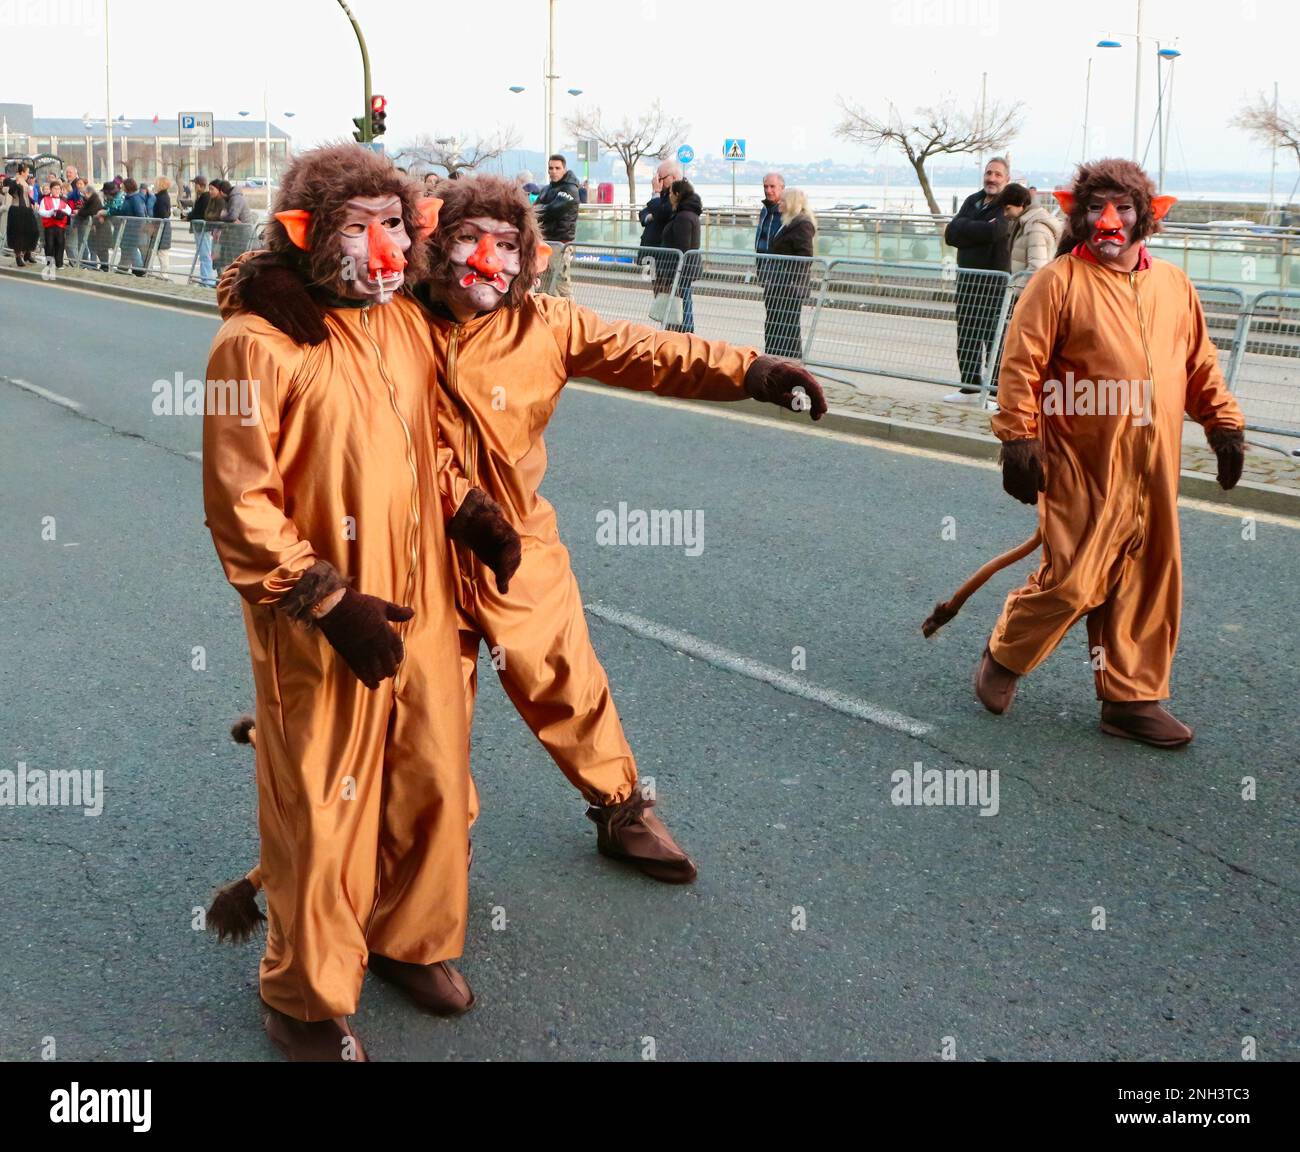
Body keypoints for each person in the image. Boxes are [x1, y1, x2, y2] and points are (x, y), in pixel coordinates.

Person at [226, 174, 830, 886]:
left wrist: (754, 370)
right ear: (433, 244)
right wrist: (265, 287)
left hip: (517, 547)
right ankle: (433, 865)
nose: (489, 260)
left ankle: (620, 807)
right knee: (425, 733)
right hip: (411, 559)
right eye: (467, 239)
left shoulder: (546, 323)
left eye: (508, 244)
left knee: (568, 679)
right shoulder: (392, 322)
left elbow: (651, 351)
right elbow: (299, 282)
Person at [202, 144, 515, 1061]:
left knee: (433, 780)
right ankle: (303, 995)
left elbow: (430, 450)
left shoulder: (405, 328)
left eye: (395, 224)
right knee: (322, 801)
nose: (386, 250)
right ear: (305, 234)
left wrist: (473, 516)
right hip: (321, 621)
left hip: (423, 608)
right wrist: (328, 602)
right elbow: (238, 501)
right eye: (360, 226)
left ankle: (409, 937)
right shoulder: (253, 344)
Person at [924, 159, 1247, 749]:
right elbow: (1021, 366)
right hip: (1078, 460)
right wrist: (1018, 441)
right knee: (1074, 580)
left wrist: (1224, 425)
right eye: (1098, 209)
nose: (1109, 221)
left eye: (1123, 209)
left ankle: (1130, 699)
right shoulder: (1059, 281)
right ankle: (1004, 656)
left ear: (1145, 217)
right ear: (1081, 214)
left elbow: (1199, 364)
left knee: (1147, 581)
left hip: (1154, 466)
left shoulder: (1173, 285)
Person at [942, 157, 1011, 403]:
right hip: (968, 280)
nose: (991, 178)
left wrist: (966, 229)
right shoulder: (973, 200)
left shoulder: (1007, 204)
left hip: (994, 283)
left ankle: (994, 392)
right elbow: (950, 234)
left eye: (997, 175)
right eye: (989, 173)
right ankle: (969, 387)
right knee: (967, 333)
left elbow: (996, 231)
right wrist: (976, 228)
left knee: (993, 337)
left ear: (1006, 179)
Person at [765, 187, 817, 359]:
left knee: (787, 327)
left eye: (783, 200)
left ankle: (790, 363)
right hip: (779, 283)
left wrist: (791, 279)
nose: (779, 202)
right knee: (776, 324)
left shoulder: (802, 224)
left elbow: (805, 256)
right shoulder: (788, 222)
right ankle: (774, 360)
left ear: (792, 203)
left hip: (788, 286)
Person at [660, 177, 702, 333]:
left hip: (681, 270)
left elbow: (682, 247)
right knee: (684, 303)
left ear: (677, 194)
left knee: (683, 305)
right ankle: (686, 335)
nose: (669, 196)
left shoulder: (683, 216)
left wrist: (675, 270)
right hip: (686, 268)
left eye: (670, 193)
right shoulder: (690, 214)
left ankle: (687, 335)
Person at [534, 153, 580, 297]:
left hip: (560, 243)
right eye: (550, 168)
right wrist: (540, 209)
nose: (553, 171)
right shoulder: (546, 189)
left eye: (557, 168)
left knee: (562, 286)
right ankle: (546, 317)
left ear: (564, 169)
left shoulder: (570, 189)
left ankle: (571, 316)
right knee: (543, 288)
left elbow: (553, 210)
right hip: (544, 242)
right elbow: (535, 210)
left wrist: (539, 209)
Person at [998, 183, 1062, 275]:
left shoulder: (1035, 229)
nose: (1005, 214)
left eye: (1008, 209)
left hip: (1026, 287)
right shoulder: (1026, 223)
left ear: (1021, 203)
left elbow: (1036, 269)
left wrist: (1018, 287)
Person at [755, 171, 786, 355]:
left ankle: (784, 360)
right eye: (765, 186)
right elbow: (761, 241)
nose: (768, 190)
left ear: (782, 188)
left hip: (782, 276)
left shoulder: (786, 213)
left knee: (783, 322)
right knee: (771, 319)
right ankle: (771, 356)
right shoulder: (765, 211)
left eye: (772, 186)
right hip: (766, 274)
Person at [35, 177, 73, 279]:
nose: (57, 190)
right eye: (55, 188)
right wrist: (50, 212)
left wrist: (64, 212)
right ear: (51, 189)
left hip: (60, 225)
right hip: (49, 225)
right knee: (50, 244)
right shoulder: (45, 199)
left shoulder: (62, 200)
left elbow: (69, 210)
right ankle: (49, 263)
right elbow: (41, 212)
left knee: (60, 244)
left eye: (58, 189)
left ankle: (59, 263)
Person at [4, 165, 41, 267]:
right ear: (22, 172)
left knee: (33, 231)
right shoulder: (15, 181)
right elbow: (11, 192)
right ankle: (18, 256)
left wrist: (34, 202)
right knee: (18, 234)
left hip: (27, 210)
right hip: (17, 210)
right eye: (27, 172)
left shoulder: (25, 182)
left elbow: (26, 195)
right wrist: (16, 182)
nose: (28, 174)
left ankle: (27, 254)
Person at [189, 176, 215, 286]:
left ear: (200, 185)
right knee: (203, 254)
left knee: (205, 254)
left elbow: (199, 213)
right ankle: (205, 279)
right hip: (200, 228)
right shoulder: (201, 197)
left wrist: (189, 216)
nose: (194, 187)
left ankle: (207, 281)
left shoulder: (205, 197)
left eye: (195, 184)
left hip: (203, 229)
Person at [80, 182, 109, 271]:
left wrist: (80, 212)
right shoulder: (91, 200)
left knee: (97, 248)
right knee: (94, 247)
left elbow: (88, 211)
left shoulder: (94, 200)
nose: (84, 196)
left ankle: (99, 265)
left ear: (89, 193)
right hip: (95, 227)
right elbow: (84, 211)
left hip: (98, 228)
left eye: (85, 194)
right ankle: (96, 265)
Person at [150, 176, 173, 276]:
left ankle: (164, 275)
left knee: (162, 252)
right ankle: (163, 274)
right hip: (160, 226)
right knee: (159, 252)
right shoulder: (162, 196)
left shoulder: (161, 197)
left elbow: (163, 214)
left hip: (161, 227)